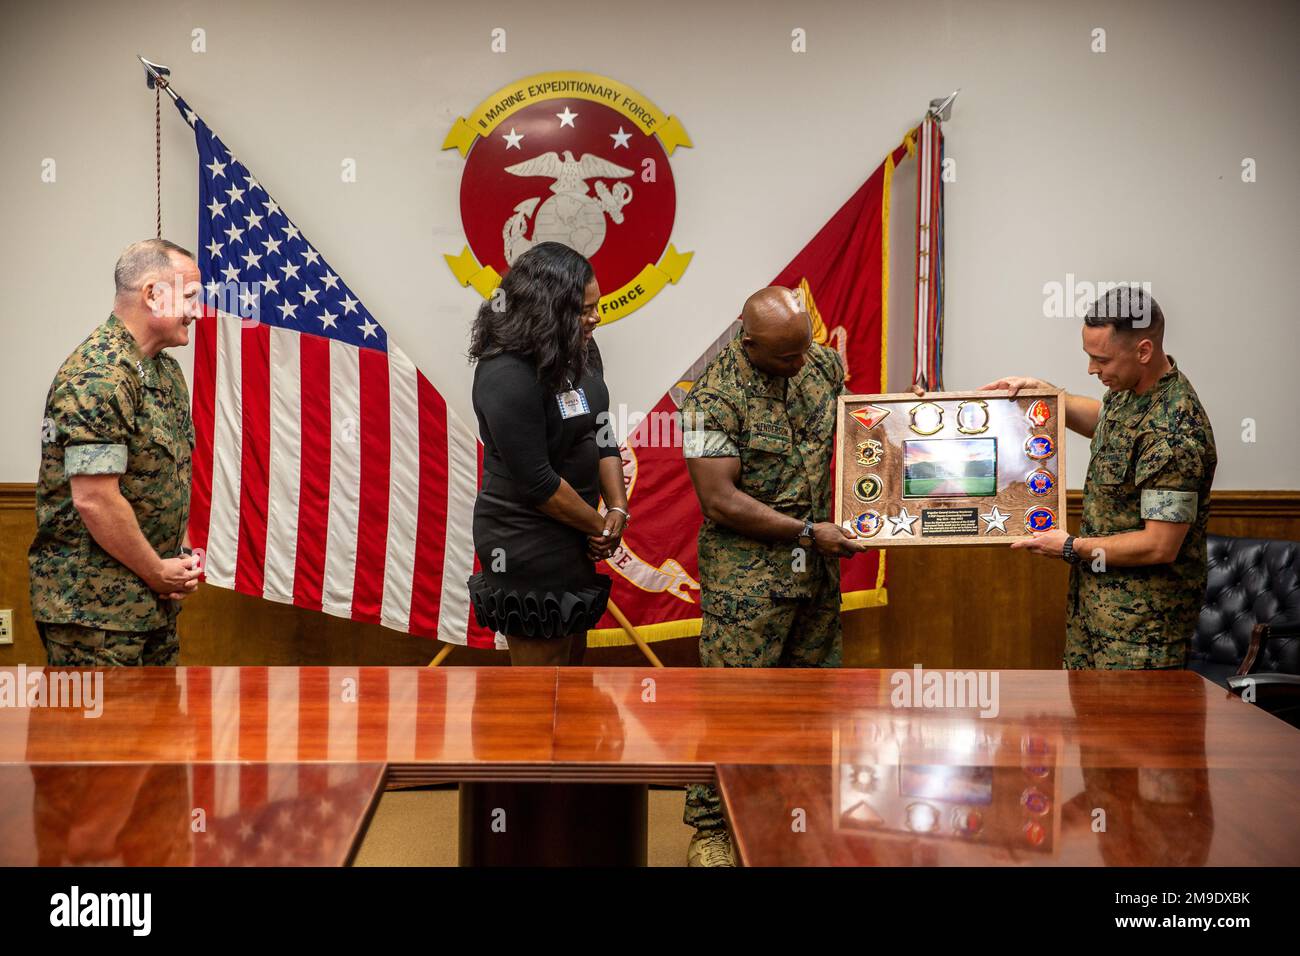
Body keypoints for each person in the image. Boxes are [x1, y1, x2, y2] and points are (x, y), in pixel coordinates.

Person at [679, 286, 871, 865]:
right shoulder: (708, 400)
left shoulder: (820, 364)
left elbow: (861, 428)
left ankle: (799, 814)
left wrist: (900, 415)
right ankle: (713, 830)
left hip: (815, 574)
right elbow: (719, 500)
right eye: (786, 357)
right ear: (749, 339)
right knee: (734, 707)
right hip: (749, 584)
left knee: (814, 703)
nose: (799, 364)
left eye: (804, 350)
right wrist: (808, 533)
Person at [984, 285, 1217, 670]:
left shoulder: (1175, 432)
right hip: (1094, 614)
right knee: (1087, 729)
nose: (1092, 369)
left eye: (1101, 359)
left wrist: (1069, 547)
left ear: (1143, 351)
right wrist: (1047, 395)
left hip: (1142, 633)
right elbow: (1111, 426)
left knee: (1131, 732)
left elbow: (1160, 545)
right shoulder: (1132, 390)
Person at [28, 239, 204, 666]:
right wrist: (156, 571)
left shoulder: (164, 371)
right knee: (101, 735)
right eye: (190, 297)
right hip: (93, 615)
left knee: (161, 732)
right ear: (152, 294)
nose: (197, 312)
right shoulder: (99, 374)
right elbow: (94, 498)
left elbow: (162, 479)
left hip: (151, 605)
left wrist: (176, 562)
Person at [466, 242, 628, 666]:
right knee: (541, 693)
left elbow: (601, 427)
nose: (595, 318)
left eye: (597, 306)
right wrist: (601, 528)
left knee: (572, 671)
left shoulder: (581, 347)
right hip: (525, 538)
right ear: (545, 309)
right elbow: (537, 482)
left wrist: (618, 509)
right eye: (583, 310)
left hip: (577, 532)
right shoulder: (505, 373)